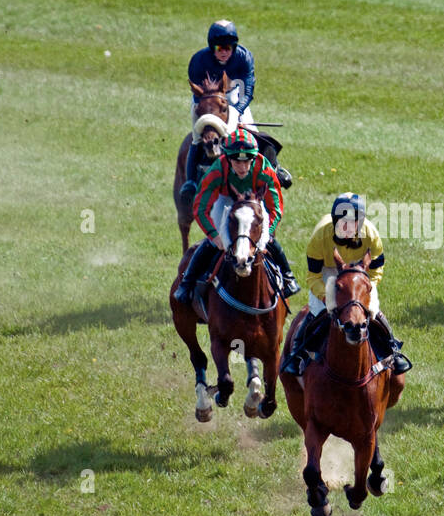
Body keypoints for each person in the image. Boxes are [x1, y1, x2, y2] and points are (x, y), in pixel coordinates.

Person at [281, 193, 411, 377]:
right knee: (319, 310)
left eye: (353, 222)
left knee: (372, 309)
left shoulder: (371, 235)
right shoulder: (320, 236)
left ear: (361, 222)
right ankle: (297, 352)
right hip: (329, 270)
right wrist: (326, 297)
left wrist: (367, 287)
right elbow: (313, 276)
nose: (348, 227)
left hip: (360, 273)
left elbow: (376, 271)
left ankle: (392, 349)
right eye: (343, 222)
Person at [172, 129, 301, 304]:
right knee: (213, 243)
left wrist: (267, 232)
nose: (242, 167)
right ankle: (186, 283)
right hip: (225, 199)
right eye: (237, 162)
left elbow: (275, 208)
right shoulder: (217, 171)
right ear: (228, 159)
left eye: (247, 161)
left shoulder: (265, 170)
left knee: (267, 240)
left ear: (253, 159)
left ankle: (288, 277)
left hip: (254, 199)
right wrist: (214, 235)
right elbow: (201, 209)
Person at [179, 19, 291, 206]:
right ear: (211, 47)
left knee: (253, 134)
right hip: (205, 103)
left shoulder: (244, 57)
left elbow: (248, 91)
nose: (224, 52)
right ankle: (191, 181)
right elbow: (198, 94)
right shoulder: (198, 61)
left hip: (235, 101)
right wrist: (211, 116)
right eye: (219, 48)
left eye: (228, 48)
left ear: (234, 47)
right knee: (198, 138)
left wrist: (237, 111)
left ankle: (274, 169)